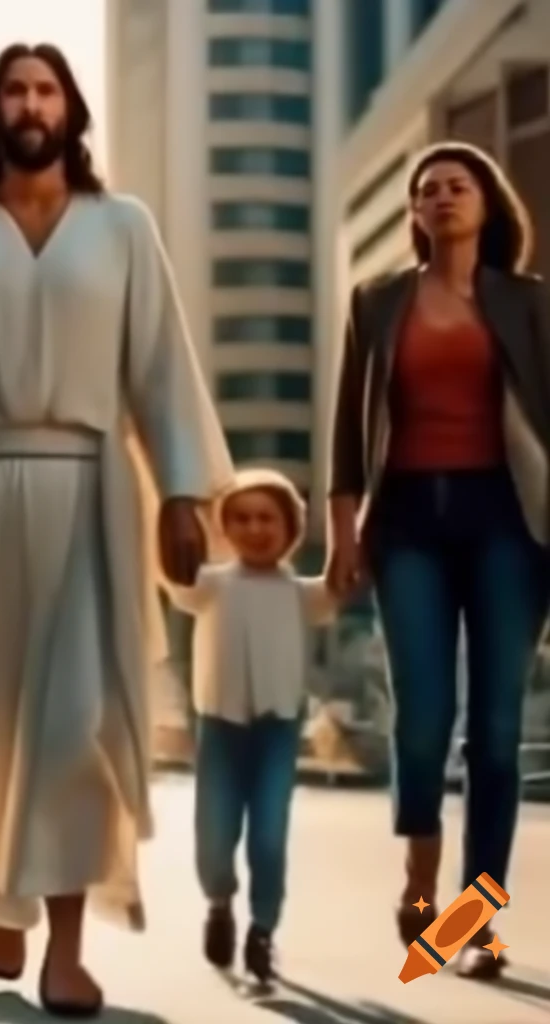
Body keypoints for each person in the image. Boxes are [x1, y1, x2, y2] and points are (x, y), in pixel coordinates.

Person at [0, 41, 233, 1017]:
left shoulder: (123, 228)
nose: (30, 103)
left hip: (92, 487)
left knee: (76, 723)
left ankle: (63, 942)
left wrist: (183, 492)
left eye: (46, 88)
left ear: (70, 111)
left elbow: (159, 370)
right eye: (14, 89)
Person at [326, 140, 550, 979]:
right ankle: (421, 881)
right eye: (427, 190)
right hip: (410, 523)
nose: (442, 196)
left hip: (509, 521)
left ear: (487, 204)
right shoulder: (377, 301)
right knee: (422, 721)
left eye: (458, 185)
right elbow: (348, 431)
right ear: (414, 215)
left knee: (495, 733)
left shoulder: (530, 303)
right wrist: (345, 531)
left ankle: (476, 918)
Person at [170, 469, 337, 984]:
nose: (255, 528)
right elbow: (170, 572)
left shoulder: (302, 593)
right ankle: (219, 902)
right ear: (224, 528)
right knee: (215, 835)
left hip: (277, 730)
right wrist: (173, 510)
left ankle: (262, 929)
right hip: (220, 727)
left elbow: (343, 582)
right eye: (241, 519)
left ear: (290, 527)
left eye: (267, 518)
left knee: (268, 835)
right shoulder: (209, 585)